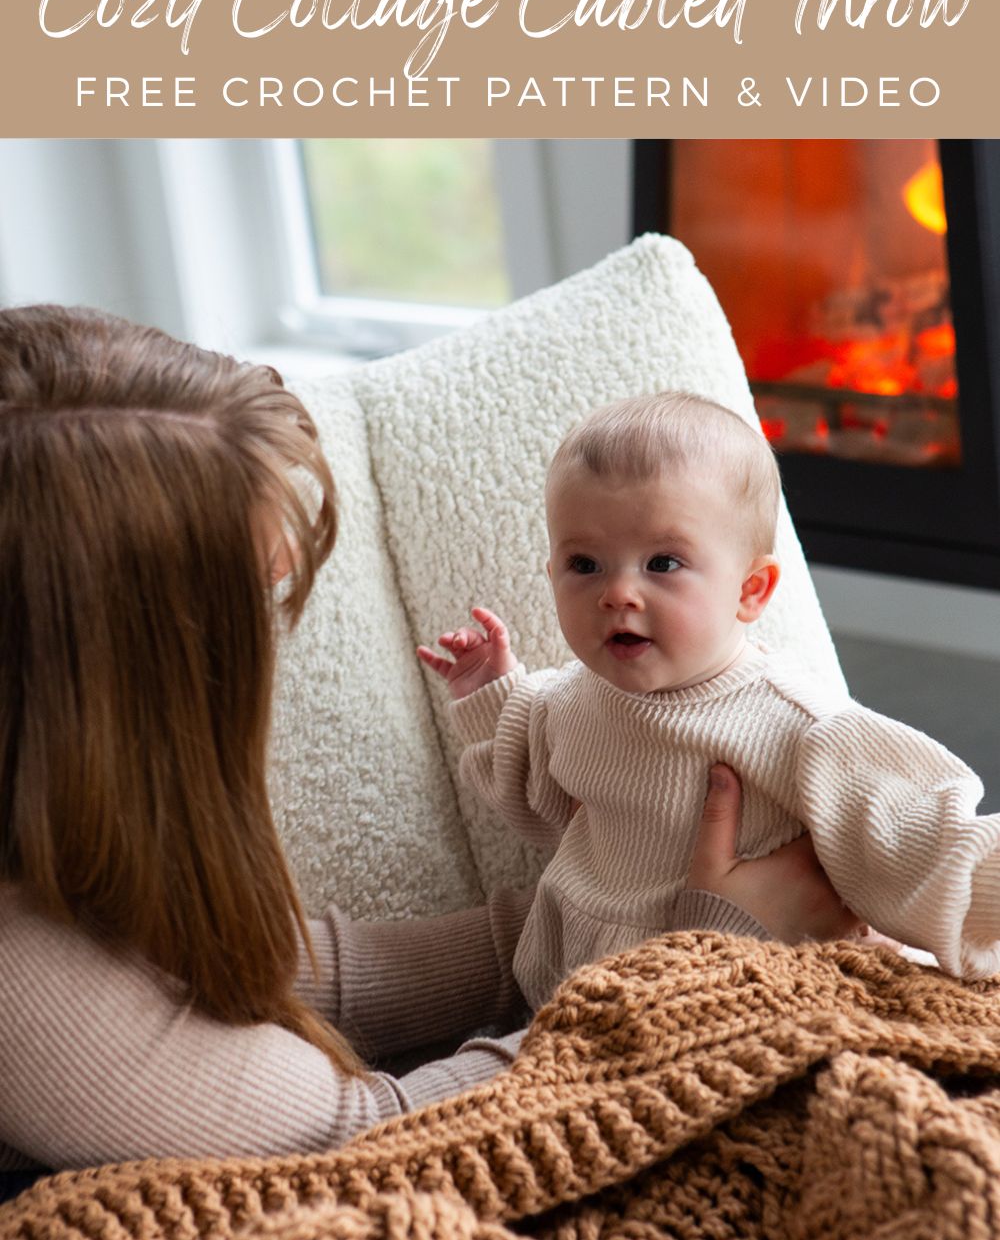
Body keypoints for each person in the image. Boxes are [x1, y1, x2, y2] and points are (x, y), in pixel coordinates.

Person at [0, 311, 853, 1184]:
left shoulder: (53, 842)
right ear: (105, 680)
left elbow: (300, 967)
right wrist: (710, 972)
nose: (268, 658)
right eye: (248, 614)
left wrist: (610, 913)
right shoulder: (25, 989)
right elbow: (372, 1143)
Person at [419, 389, 1000, 1012]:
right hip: (568, 993)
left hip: (732, 1006)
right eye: (584, 564)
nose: (617, 593)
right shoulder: (569, 700)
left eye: (662, 562)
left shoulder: (799, 728)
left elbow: (919, 846)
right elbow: (535, 803)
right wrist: (491, 693)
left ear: (751, 590)